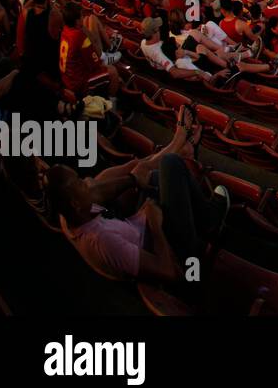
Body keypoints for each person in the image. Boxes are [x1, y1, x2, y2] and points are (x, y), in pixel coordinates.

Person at [46, 107, 229, 283]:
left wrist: (134, 181)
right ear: (75, 202)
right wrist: (155, 225)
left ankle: (181, 147)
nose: (85, 180)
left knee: (153, 175)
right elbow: (170, 273)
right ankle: (210, 223)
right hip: (177, 258)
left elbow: (114, 183)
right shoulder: (103, 241)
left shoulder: (71, 214)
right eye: (79, 182)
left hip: (141, 224)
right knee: (171, 164)